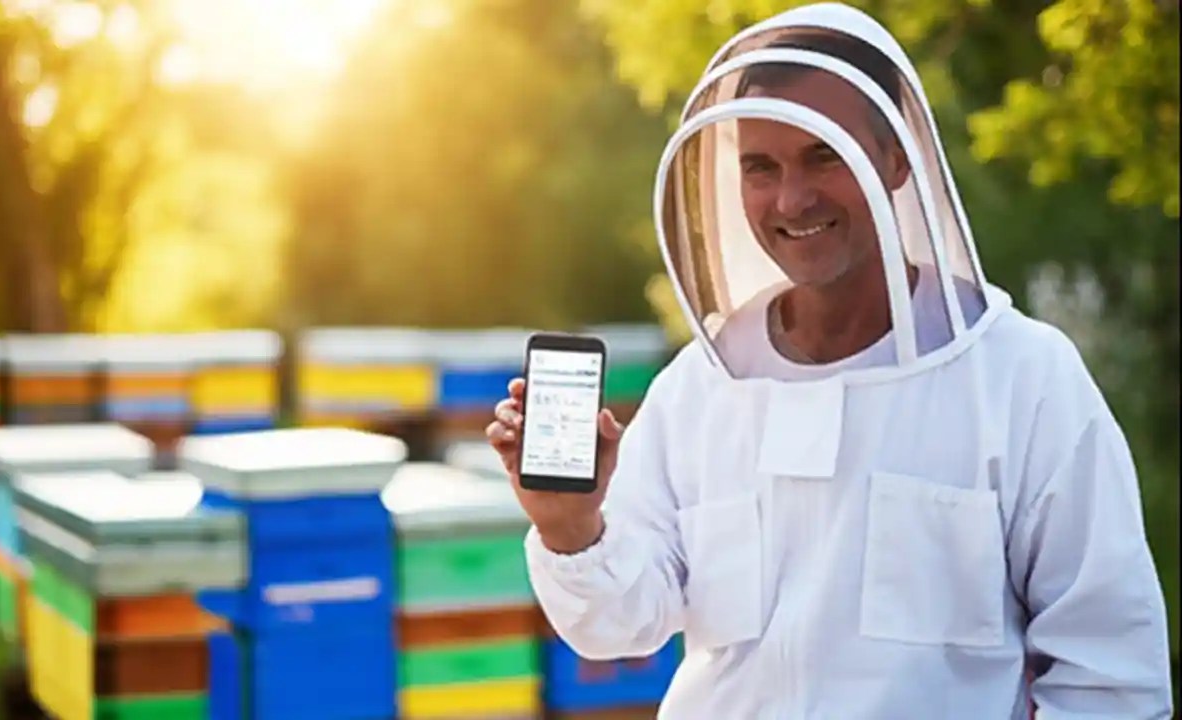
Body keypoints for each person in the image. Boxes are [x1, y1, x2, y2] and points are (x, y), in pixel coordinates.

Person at [485, 4, 1174, 719]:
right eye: (761, 166)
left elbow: (1112, 674)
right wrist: (570, 525)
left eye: (825, 154)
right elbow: (618, 625)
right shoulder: (701, 387)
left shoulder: (1022, 378)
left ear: (897, 158)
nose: (792, 198)